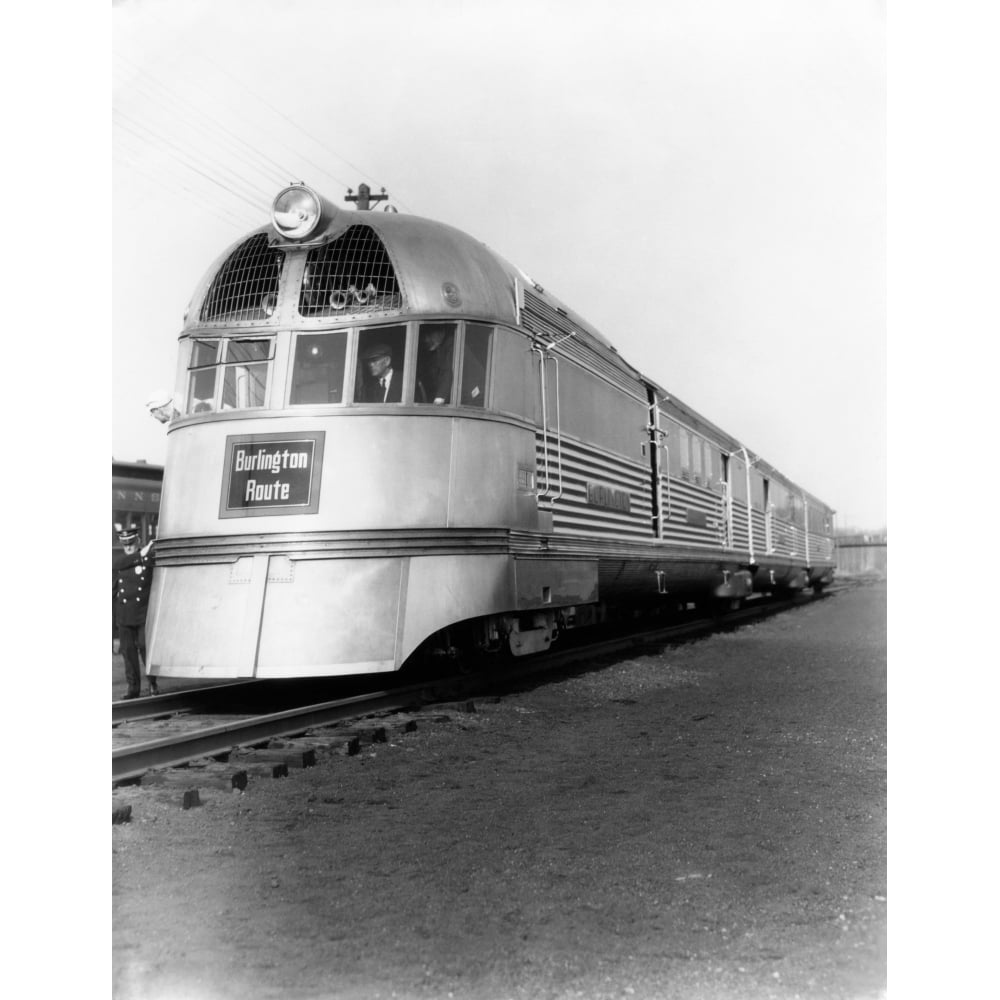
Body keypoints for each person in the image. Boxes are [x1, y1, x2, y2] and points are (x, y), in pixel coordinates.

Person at [113, 525, 158, 698]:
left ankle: (152, 683)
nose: (128, 547)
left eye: (131, 543)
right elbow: (119, 564)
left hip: (142, 614)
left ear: (138, 540)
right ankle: (133, 689)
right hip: (124, 615)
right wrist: (140, 555)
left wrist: (144, 555)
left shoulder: (148, 559)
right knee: (128, 653)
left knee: (146, 649)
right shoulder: (120, 561)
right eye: (125, 544)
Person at [416, 326, 454, 404]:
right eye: (425, 336)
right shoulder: (435, 351)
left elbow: (448, 371)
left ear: (441, 332)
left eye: (429, 335)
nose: (426, 340)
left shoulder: (451, 346)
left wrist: (440, 397)